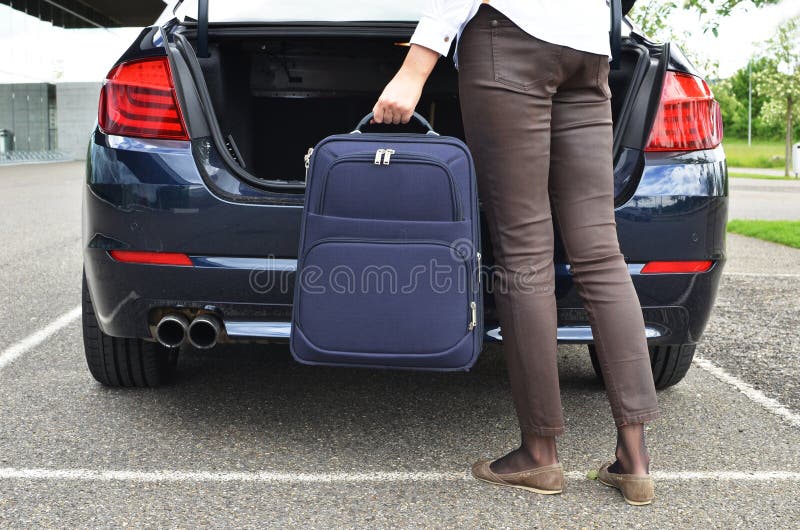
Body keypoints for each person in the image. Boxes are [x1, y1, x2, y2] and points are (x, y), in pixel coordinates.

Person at [371, 0, 660, 505]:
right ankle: (634, 461)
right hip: (588, 46)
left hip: (511, 37)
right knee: (600, 255)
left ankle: (538, 455)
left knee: (524, 250)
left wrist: (413, 70)